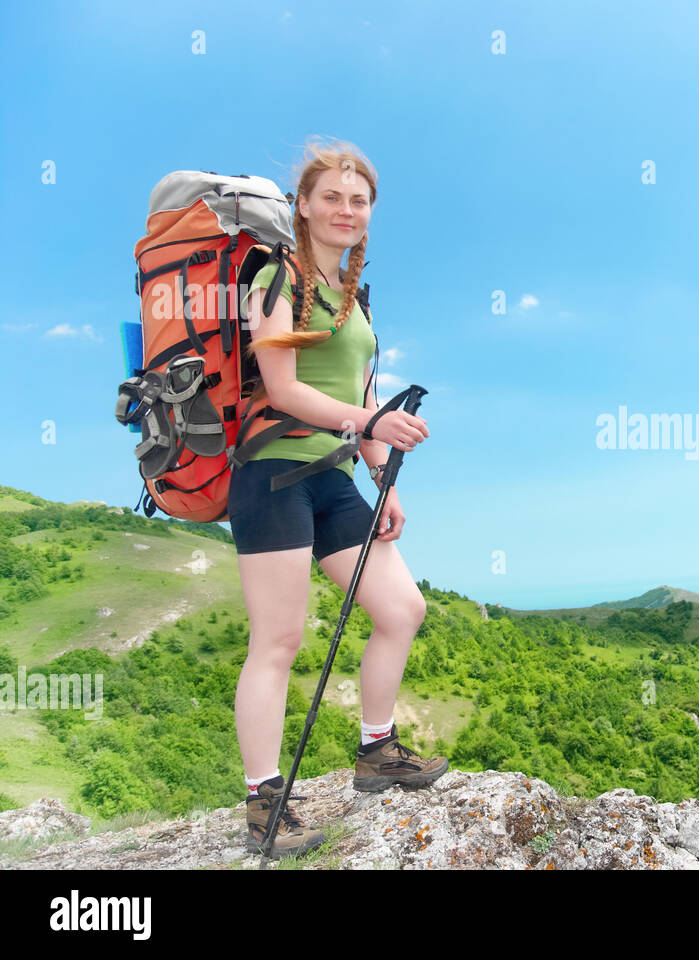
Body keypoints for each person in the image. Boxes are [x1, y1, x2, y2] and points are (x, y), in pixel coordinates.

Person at [228, 137, 446, 858]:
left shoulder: (354, 298)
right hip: (270, 474)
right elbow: (284, 388)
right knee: (280, 641)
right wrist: (367, 425)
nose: (346, 210)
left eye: (359, 201)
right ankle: (264, 799)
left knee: (402, 608)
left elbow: (363, 392)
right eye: (333, 198)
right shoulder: (275, 278)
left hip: (332, 476)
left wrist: (380, 475)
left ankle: (376, 751)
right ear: (304, 207)